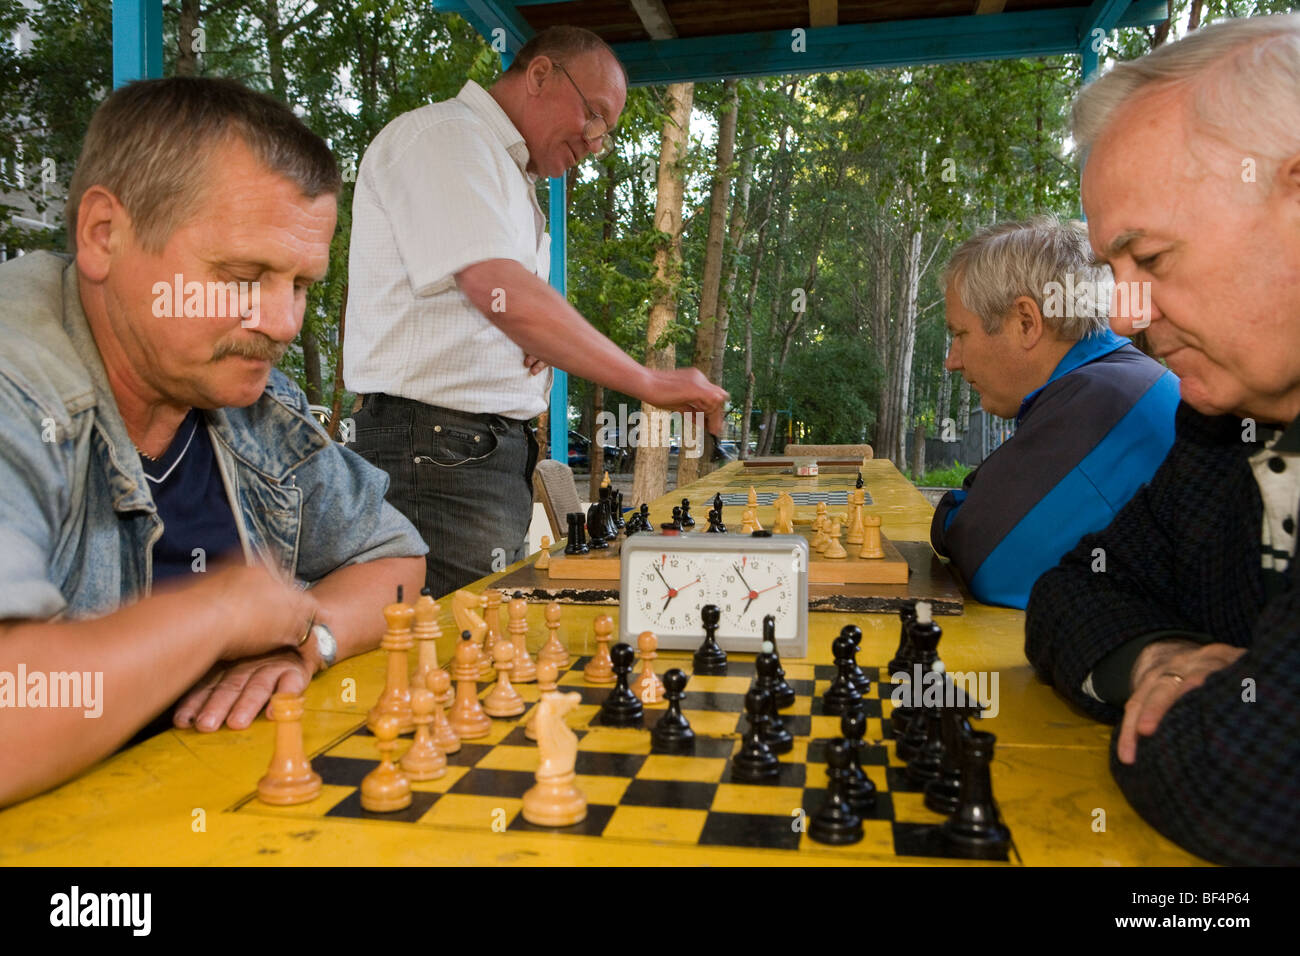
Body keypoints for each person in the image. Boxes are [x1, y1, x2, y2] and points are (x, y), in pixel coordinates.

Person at [0, 78, 428, 808]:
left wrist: (310, 641)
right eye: (243, 277)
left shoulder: (240, 394)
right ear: (105, 234)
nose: (284, 322)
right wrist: (220, 613)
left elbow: (395, 559)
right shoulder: (20, 393)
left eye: (300, 284)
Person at [1025, 14, 1300, 865]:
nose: (1122, 314)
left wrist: (1223, 713)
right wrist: (1163, 657)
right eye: (1115, 271)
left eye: (1149, 257)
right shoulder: (1221, 424)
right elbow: (1072, 587)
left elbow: (1245, 786)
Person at [344, 26, 728, 597]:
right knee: (456, 661)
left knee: (476, 655)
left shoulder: (507, 174)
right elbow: (499, 288)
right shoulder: (449, 138)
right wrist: (647, 380)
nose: (597, 140)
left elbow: (505, 298)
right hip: (435, 452)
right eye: (594, 114)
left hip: (469, 454)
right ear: (542, 74)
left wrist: (530, 328)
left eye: (608, 131)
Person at [930, 217, 1180, 609]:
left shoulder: (1100, 401)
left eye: (960, 334)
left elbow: (986, 556)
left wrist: (952, 517)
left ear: (1026, 322)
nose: (952, 361)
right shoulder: (1112, 379)